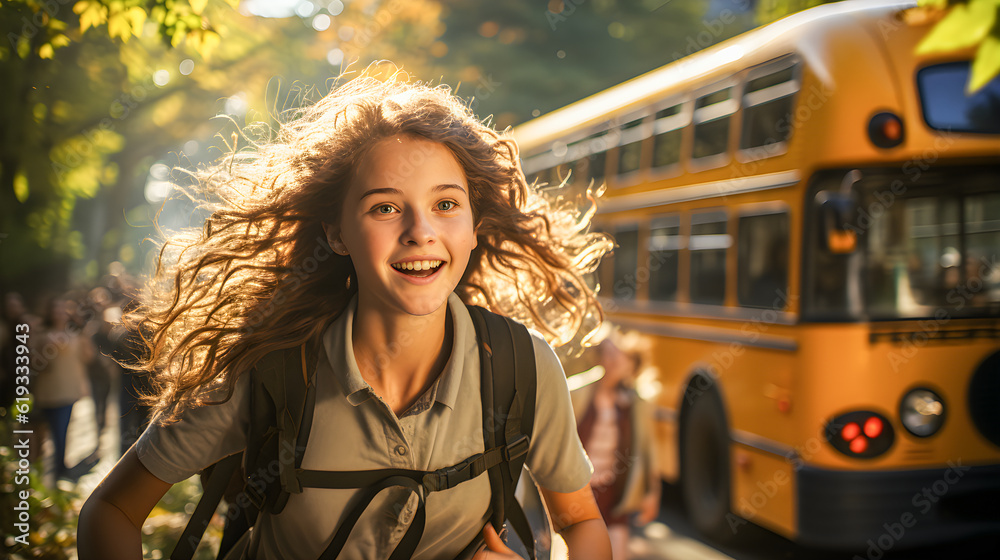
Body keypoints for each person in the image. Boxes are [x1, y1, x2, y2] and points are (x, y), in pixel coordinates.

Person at [78, 72, 614, 559]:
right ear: (335, 233)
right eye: (385, 207)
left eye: (446, 204)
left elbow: (582, 523)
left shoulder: (524, 369)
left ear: (474, 225)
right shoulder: (268, 372)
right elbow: (112, 512)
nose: (420, 231)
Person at [570, 327, 661, 560]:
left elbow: (647, 451)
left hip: (613, 493)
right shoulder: (578, 392)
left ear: (629, 364)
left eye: (618, 356)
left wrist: (652, 493)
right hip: (580, 494)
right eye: (608, 355)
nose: (613, 362)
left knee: (618, 552)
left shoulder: (635, 404)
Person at [33, 296, 98, 481]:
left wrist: (83, 330)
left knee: (60, 433)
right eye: (56, 309)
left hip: (67, 394)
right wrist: (47, 350)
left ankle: (59, 472)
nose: (59, 313)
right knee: (47, 435)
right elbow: (36, 364)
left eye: (63, 309)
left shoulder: (76, 336)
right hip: (46, 393)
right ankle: (48, 473)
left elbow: (88, 357)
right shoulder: (42, 335)